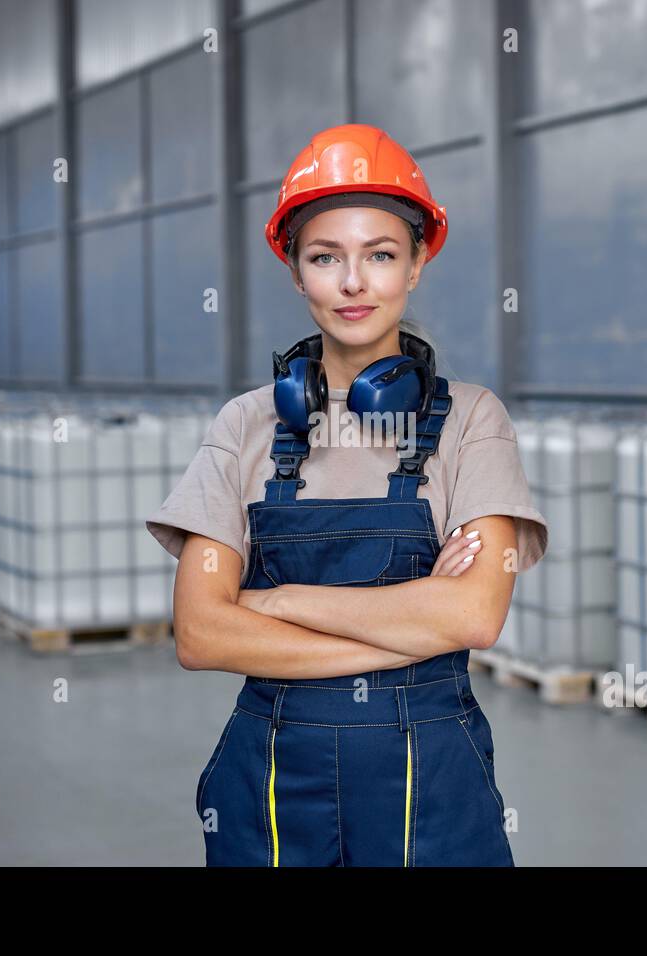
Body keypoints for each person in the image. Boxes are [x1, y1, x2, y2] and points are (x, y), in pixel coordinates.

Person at [146, 123, 548, 866]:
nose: (353, 282)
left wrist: (272, 601)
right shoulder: (246, 425)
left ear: (417, 264)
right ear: (296, 272)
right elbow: (203, 635)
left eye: (381, 255)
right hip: (271, 777)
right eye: (326, 256)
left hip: (430, 776)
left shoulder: (471, 422)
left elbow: (473, 614)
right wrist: (404, 620)